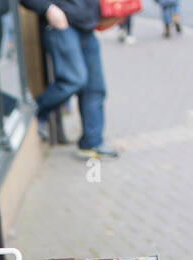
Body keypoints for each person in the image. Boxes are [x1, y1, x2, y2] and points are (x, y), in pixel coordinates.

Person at [19, 1, 119, 159]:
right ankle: (35, 109)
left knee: (95, 88)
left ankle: (92, 142)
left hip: (87, 26)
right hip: (62, 24)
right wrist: (49, 10)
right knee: (74, 80)